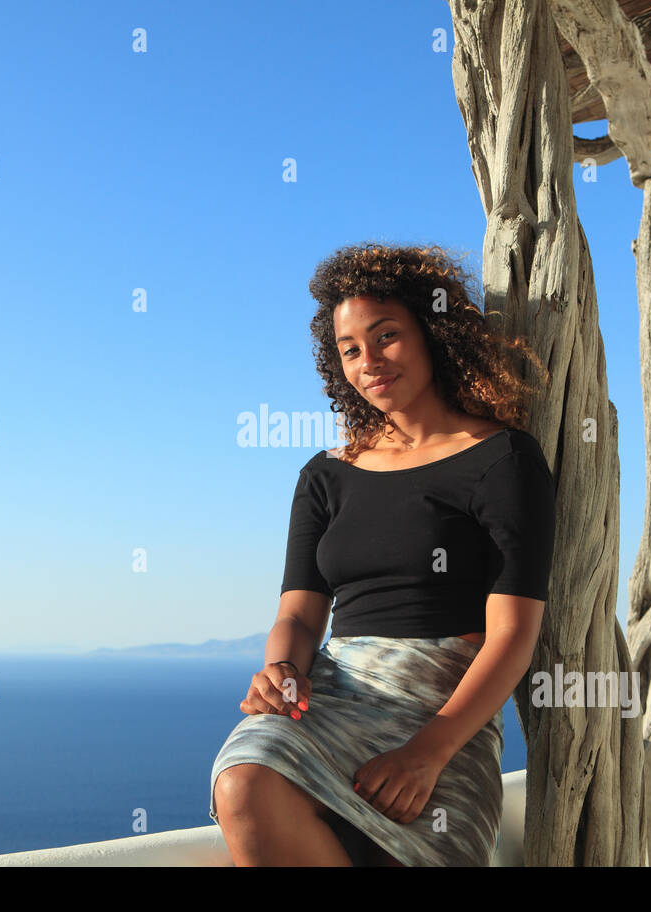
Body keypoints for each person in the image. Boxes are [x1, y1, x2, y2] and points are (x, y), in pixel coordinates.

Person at [208, 242, 556, 866]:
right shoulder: (325, 475)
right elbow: (299, 617)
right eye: (349, 349)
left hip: (444, 721)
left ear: (432, 332)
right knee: (243, 779)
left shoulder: (502, 460)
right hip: (333, 701)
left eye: (386, 335)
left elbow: (513, 634)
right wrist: (283, 670)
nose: (368, 361)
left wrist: (429, 751)